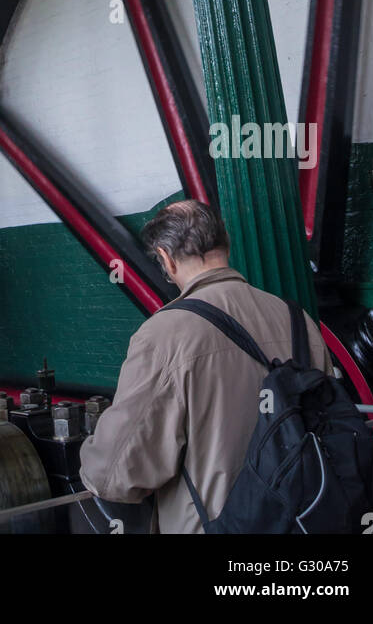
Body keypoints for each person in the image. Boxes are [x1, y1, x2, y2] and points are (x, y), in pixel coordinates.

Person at [79, 199, 334, 533]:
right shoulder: (296, 318)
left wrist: (87, 457)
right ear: (225, 243)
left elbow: (117, 474)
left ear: (166, 258)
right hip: (308, 521)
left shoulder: (163, 335)